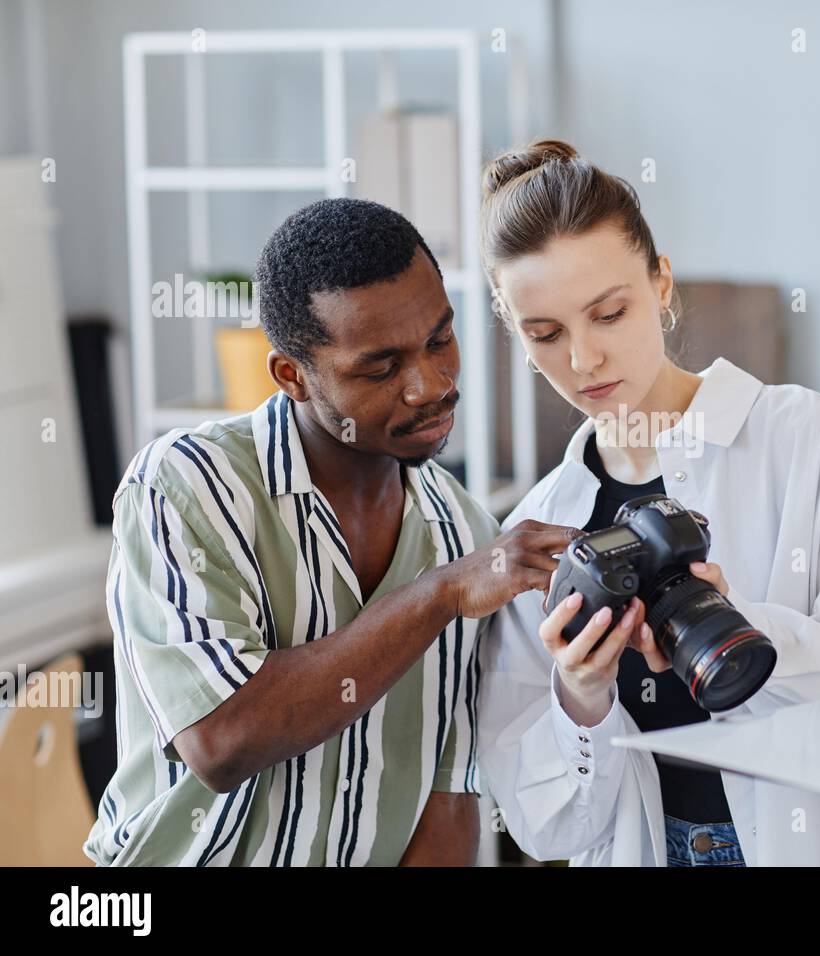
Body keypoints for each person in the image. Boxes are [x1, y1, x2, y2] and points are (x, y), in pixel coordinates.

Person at [475, 140, 820, 866]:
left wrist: (748, 632)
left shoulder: (813, 441)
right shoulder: (536, 531)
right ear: (515, 330)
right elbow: (546, 830)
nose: (584, 360)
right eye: (546, 334)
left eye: (609, 313)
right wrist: (580, 699)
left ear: (661, 285)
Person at [85, 198, 575, 866]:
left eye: (440, 340)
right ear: (291, 374)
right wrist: (441, 595)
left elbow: (448, 794)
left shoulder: (464, 528)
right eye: (380, 366)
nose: (428, 386)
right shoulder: (185, 487)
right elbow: (223, 740)